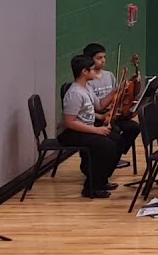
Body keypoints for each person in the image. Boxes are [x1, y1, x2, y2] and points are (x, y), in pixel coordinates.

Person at [59, 55, 122, 198]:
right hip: (72, 133)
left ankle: (102, 179)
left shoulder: (86, 87)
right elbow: (70, 122)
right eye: (92, 70)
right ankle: (91, 187)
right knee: (105, 146)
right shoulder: (74, 93)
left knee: (116, 138)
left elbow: (99, 106)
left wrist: (114, 93)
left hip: (85, 128)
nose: (96, 72)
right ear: (84, 72)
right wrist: (97, 130)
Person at [81, 43, 141, 167]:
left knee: (134, 128)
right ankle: (107, 158)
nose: (103, 61)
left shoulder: (109, 75)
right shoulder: (87, 80)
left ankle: (114, 156)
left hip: (112, 114)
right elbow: (90, 107)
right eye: (99, 58)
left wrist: (127, 89)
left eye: (104, 57)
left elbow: (117, 97)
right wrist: (102, 115)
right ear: (89, 60)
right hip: (97, 117)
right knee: (115, 131)